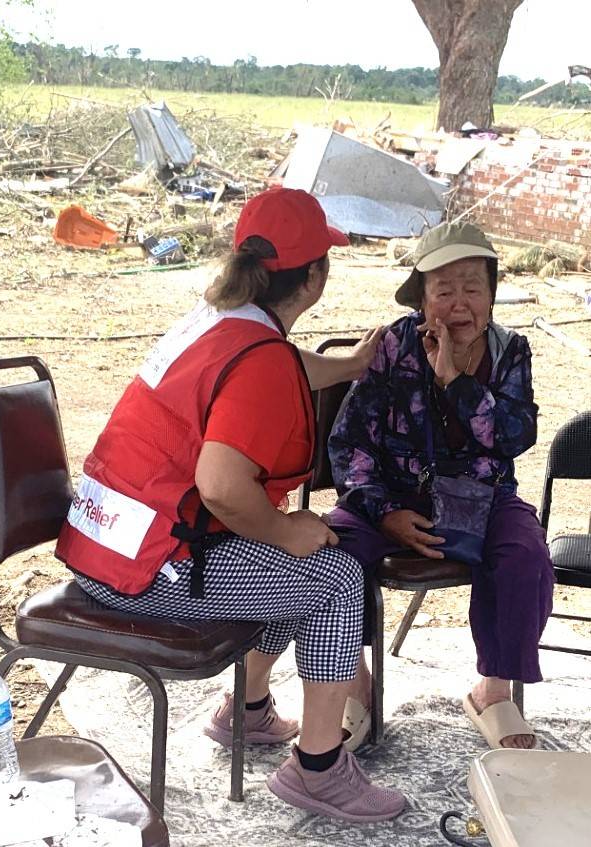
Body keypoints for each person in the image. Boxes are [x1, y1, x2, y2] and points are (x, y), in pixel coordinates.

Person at [55, 188, 405, 823]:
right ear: (316, 276)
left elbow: (284, 367)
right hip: (146, 571)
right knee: (332, 578)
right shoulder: (259, 355)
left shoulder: (220, 322)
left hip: (103, 545)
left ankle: (244, 710)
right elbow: (219, 486)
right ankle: (320, 768)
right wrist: (284, 527)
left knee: (279, 560)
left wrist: (350, 366)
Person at [328, 221, 555, 751]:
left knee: (525, 553)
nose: (459, 303)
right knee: (334, 553)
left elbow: (514, 436)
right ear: (422, 300)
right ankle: (355, 686)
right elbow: (350, 441)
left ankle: (493, 692)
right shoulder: (391, 346)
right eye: (444, 290)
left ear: (492, 295)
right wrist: (382, 511)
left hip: (481, 496)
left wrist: (456, 380)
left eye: (472, 288)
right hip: (392, 493)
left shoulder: (509, 351)